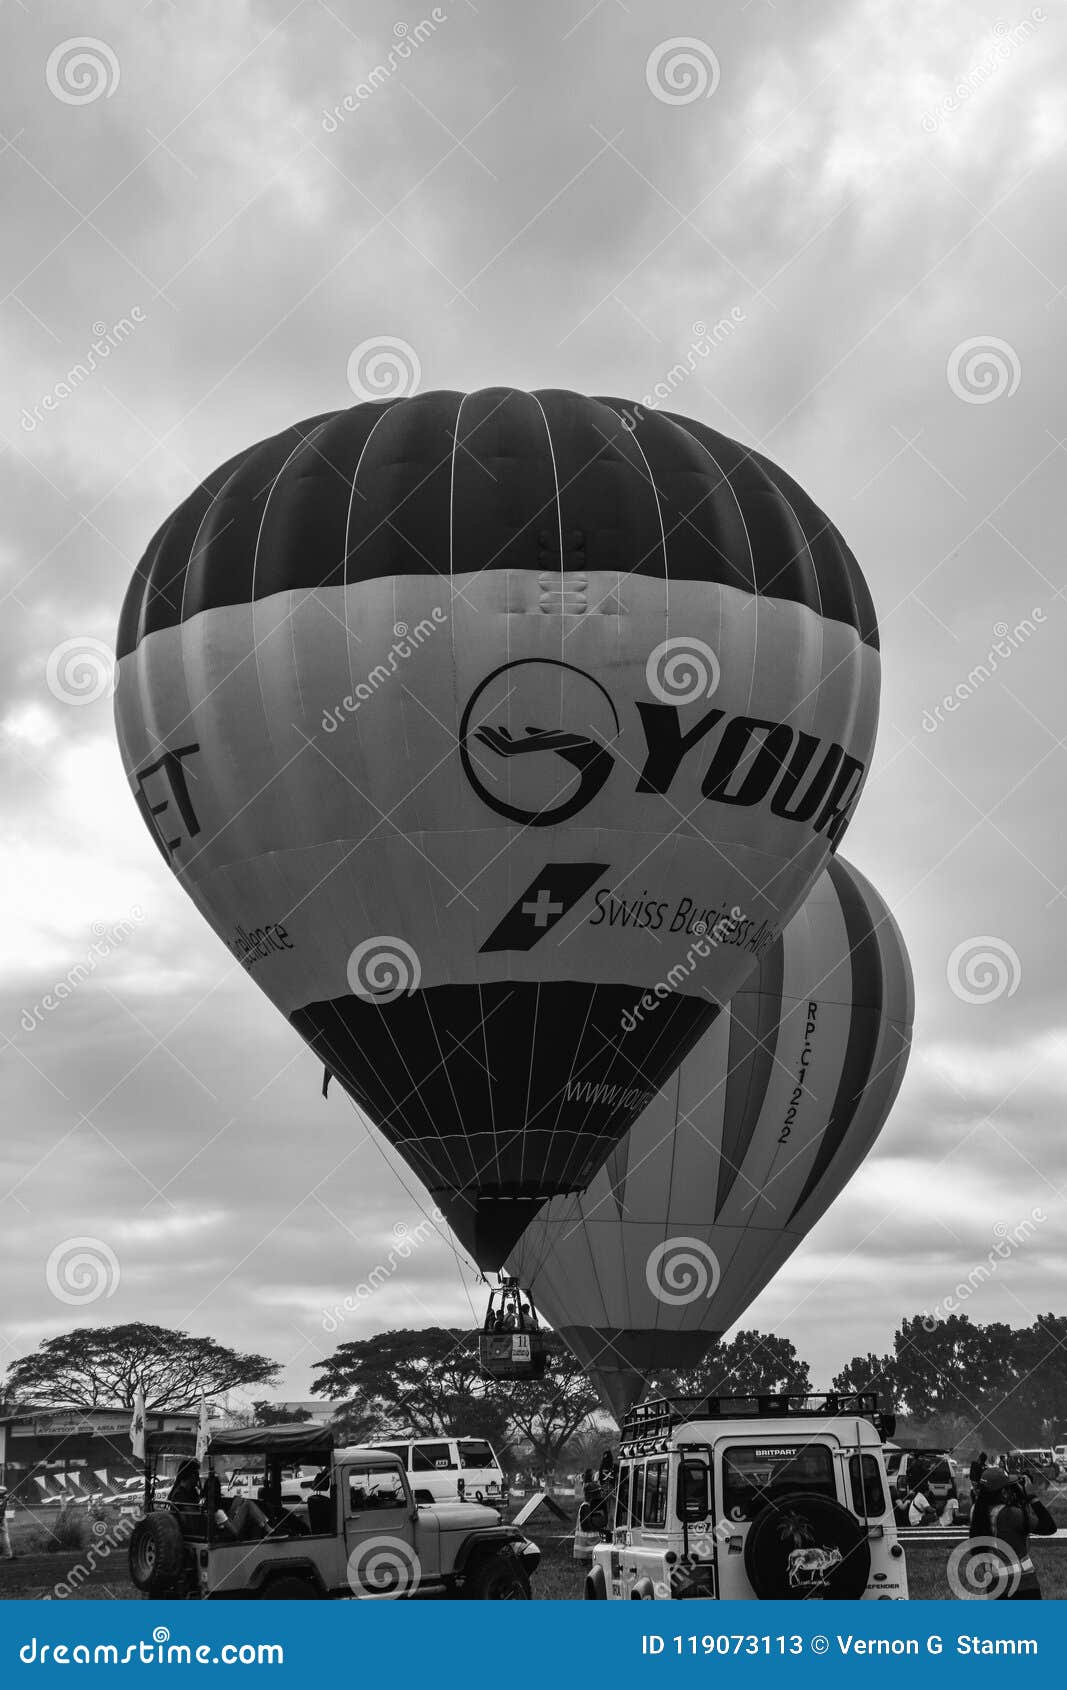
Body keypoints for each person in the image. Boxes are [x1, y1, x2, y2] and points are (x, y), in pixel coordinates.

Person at [969, 1467, 1057, 1599]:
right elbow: (1049, 1527)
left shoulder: (976, 1512)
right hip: (1023, 1586)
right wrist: (1032, 1497)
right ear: (1003, 1491)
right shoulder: (1010, 1515)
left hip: (995, 1588)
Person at [0, 1486, 13, 1560]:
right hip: (2, 1519)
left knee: (4, 1535)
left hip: (1, 1518)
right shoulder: (4, 1499)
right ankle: (8, 1554)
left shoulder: (4, 1499)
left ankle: (8, 1554)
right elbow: (8, 1497)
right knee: (4, 1535)